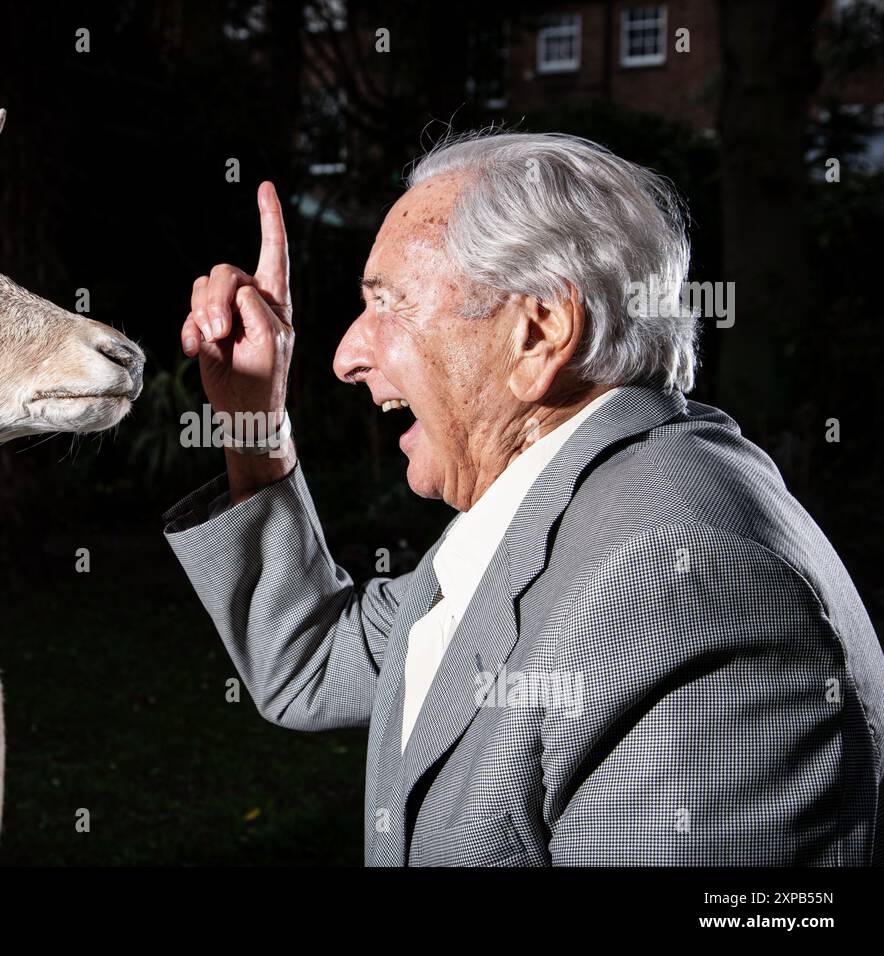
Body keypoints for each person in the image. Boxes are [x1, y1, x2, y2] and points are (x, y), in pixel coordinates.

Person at [163, 132, 884, 866]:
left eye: (389, 304)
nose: (346, 355)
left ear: (539, 334)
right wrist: (251, 413)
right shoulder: (556, 505)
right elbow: (308, 661)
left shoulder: (676, 580)